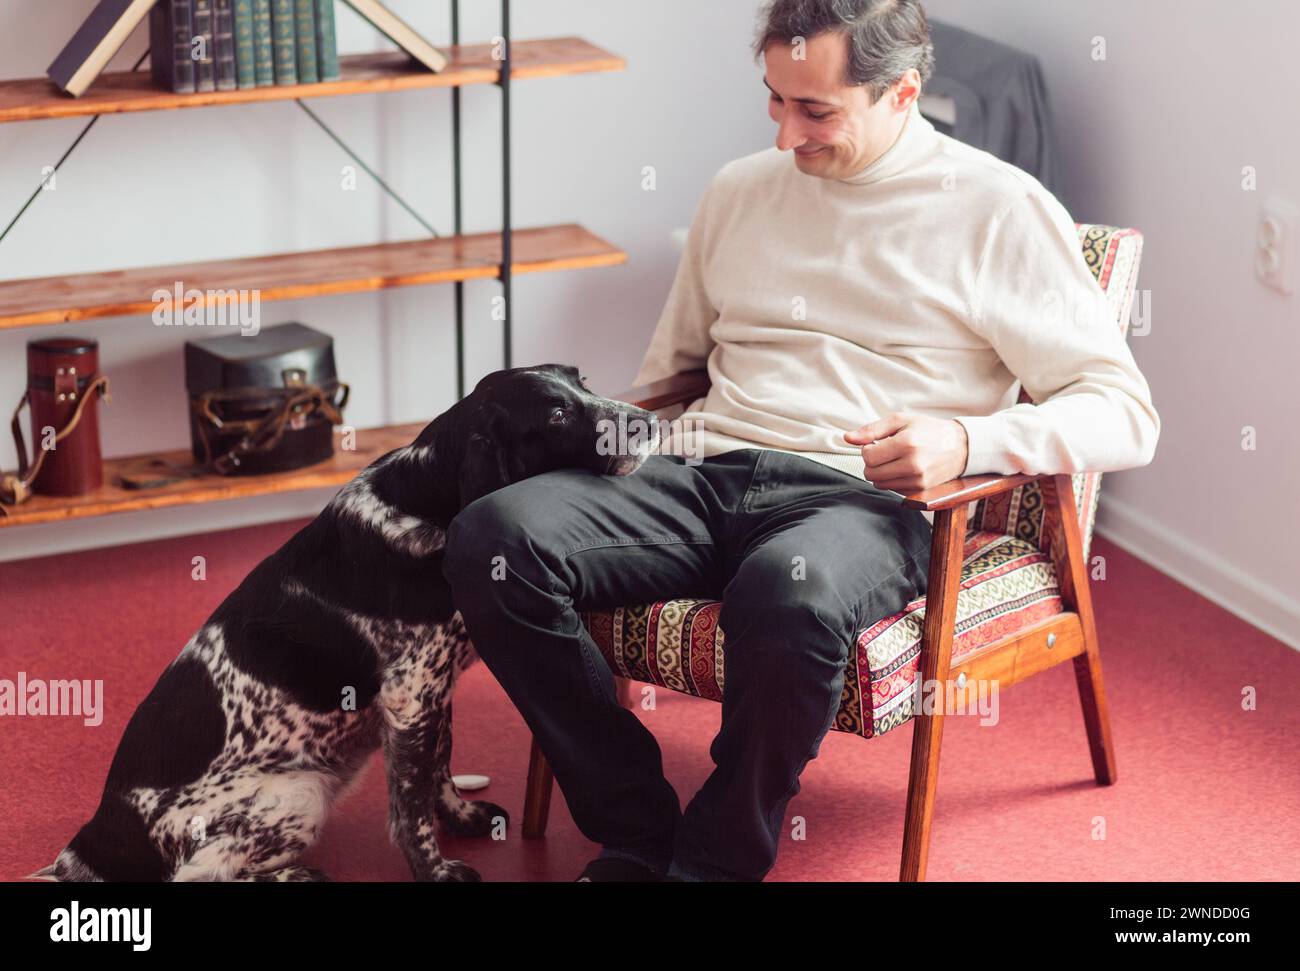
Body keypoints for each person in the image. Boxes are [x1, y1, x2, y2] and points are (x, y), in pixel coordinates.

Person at [443, 0, 1160, 882]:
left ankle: (712, 861)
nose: (785, 136)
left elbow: (1125, 412)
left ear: (903, 94)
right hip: (701, 467)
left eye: (816, 111)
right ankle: (634, 821)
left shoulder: (999, 210)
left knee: (787, 596)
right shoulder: (741, 189)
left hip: (858, 498)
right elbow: (675, 369)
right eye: (774, 101)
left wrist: (967, 437)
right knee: (491, 539)